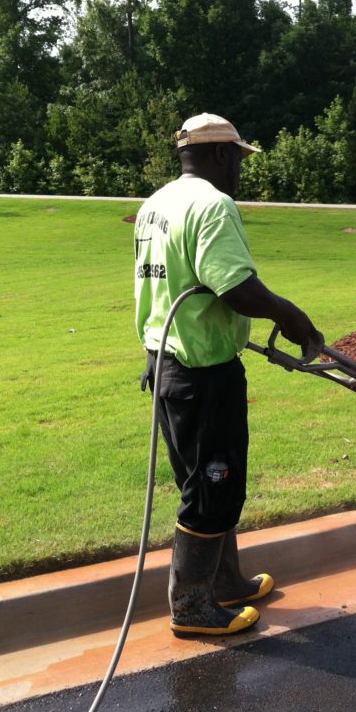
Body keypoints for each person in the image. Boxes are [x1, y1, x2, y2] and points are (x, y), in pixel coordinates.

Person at [134, 112, 323, 637]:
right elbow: (234, 286)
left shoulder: (157, 205)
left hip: (166, 365)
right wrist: (291, 316)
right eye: (238, 157)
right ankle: (192, 606)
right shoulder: (212, 205)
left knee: (204, 481)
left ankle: (225, 580)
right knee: (213, 486)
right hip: (202, 371)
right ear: (220, 154)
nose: (240, 167)